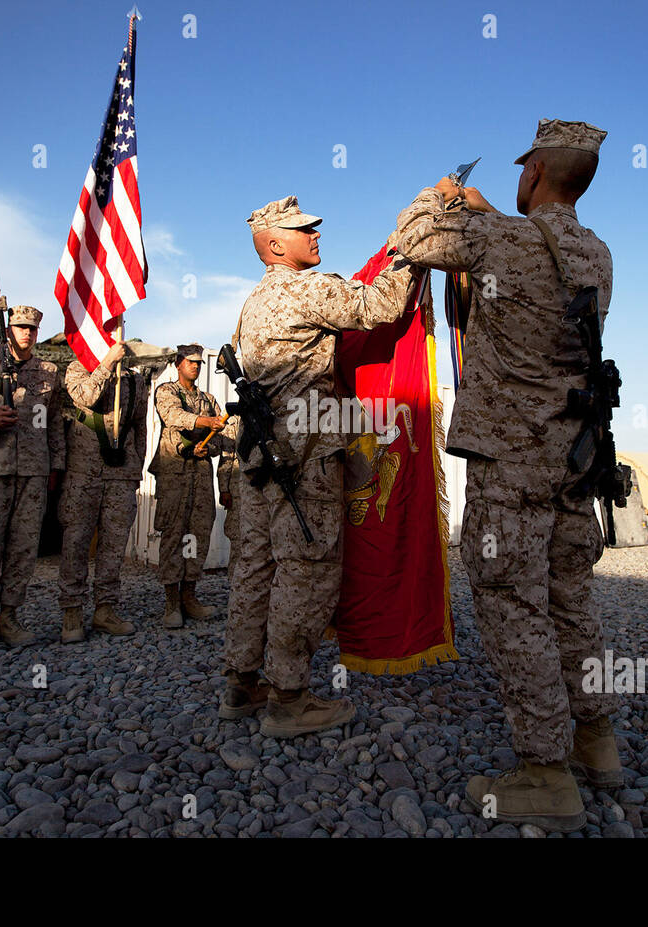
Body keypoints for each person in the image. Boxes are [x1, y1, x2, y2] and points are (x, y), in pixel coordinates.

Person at [392, 119, 623, 830]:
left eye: (526, 169)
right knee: (570, 598)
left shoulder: (499, 239)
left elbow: (413, 240)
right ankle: (595, 739)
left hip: (512, 460)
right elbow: (534, 248)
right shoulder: (597, 252)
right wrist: (488, 211)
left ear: (535, 173)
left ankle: (545, 772)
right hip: (573, 459)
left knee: (512, 605)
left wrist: (440, 195)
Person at [220, 195, 416, 737]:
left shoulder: (253, 302)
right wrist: (408, 252)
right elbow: (380, 305)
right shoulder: (305, 288)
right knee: (306, 568)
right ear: (275, 244)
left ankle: (241, 683)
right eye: (304, 230)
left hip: (260, 456)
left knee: (255, 567)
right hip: (304, 457)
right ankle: (288, 698)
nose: (316, 235)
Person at [0, 304, 65, 655]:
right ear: (8, 330)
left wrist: (56, 468)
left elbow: (54, 423)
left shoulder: (49, 373)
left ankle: (10, 617)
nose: (27, 333)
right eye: (20, 327)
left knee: (23, 547)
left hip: (33, 472)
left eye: (32, 328)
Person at [57, 333, 150, 643]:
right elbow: (86, 397)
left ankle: (105, 609)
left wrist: (136, 466)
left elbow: (140, 426)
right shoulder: (77, 368)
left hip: (121, 473)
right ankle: (72, 611)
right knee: (76, 540)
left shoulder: (135, 380)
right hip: (83, 472)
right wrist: (107, 364)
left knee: (114, 544)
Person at [148, 345, 231, 629]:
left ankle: (189, 596)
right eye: (190, 362)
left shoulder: (209, 399)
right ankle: (171, 602)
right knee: (174, 534)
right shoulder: (167, 391)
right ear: (178, 363)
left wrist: (209, 447)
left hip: (201, 477)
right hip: (174, 475)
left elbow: (220, 438)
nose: (195, 366)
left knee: (197, 535)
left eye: (199, 363)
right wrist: (205, 422)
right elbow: (173, 416)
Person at [217, 414, 242, 570]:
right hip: (238, 489)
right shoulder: (234, 421)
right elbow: (226, 457)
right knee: (238, 541)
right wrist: (224, 489)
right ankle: (235, 580)